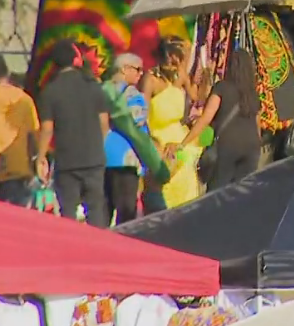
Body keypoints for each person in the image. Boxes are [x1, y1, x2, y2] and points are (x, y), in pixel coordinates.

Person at [35, 40, 111, 226]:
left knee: (68, 211)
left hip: (67, 161)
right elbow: (104, 122)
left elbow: (47, 129)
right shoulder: (93, 86)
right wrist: (97, 144)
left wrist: (41, 157)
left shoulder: (50, 91)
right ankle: (100, 248)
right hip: (94, 158)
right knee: (95, 208)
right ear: (75, 59)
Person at [174, 49, 261, 190]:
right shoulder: (252, 93)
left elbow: (206, 118)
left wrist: (184, 143)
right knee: (243, 194)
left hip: (228, 145)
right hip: (252, 147)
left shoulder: (222, 87)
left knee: (218, 193)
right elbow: (258, 125)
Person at [144, 40, 199, 207]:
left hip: (180, 139)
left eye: (177, 60)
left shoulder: (179, 77)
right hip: (159, 139)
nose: (173, 64)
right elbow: (141, 112)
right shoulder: (150, 80)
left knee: (186, 176)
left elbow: (196, 97)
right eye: (169, 58)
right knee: (165, 183)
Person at [0, 55, 39, 206]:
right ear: (7, 72)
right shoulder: (24, 99)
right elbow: (34, 134)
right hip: (21, 166)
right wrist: (36, 160)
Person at [102, 53, 148, 224]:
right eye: (138, 69)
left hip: (103, 156)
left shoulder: (102, 90)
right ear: (124, 69)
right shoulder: (133, 95)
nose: (141, 74)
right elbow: (136, 123)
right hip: (126, 158)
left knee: (104, 209)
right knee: (126, 212)